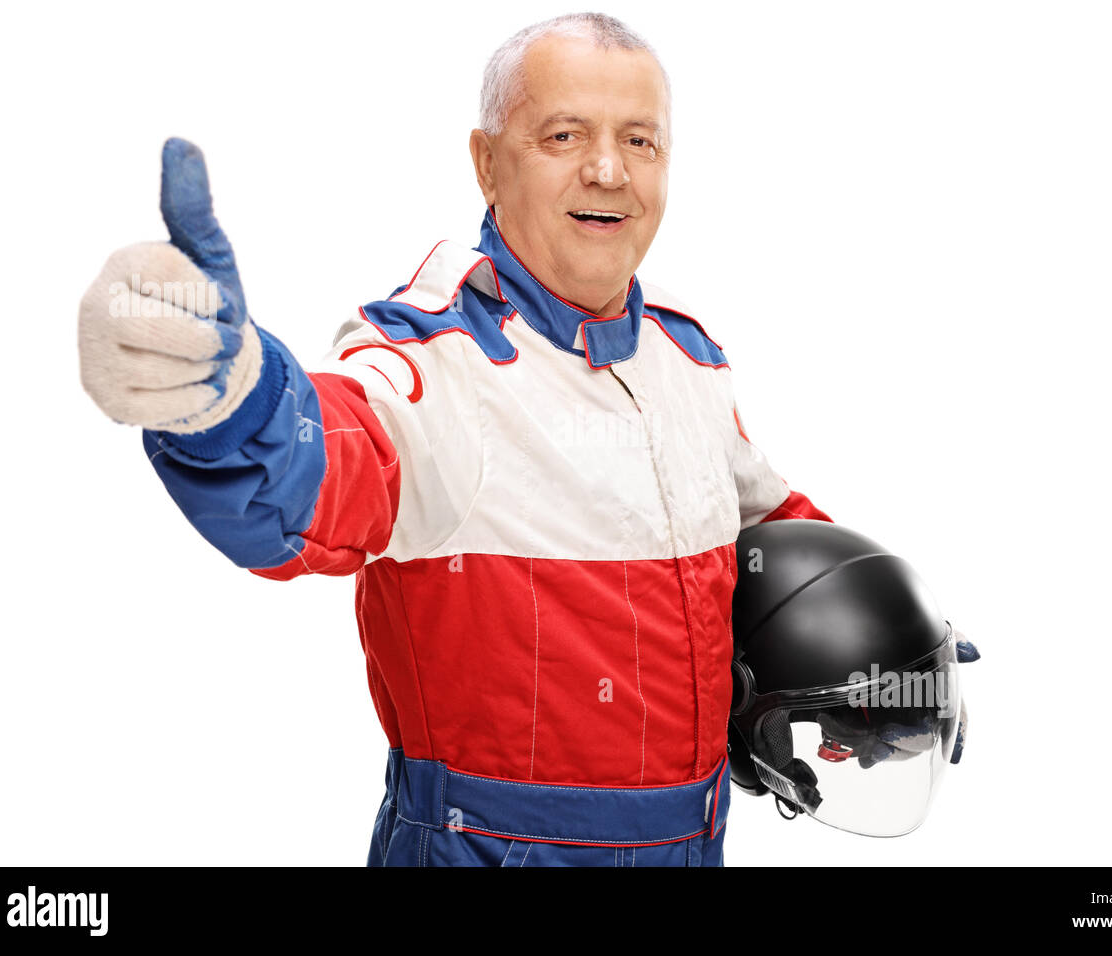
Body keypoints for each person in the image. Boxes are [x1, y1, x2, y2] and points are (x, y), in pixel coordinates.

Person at [77, 12, 834, 867]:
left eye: (641, 141)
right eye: (564, 134)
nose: (608, 170)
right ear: (486, 163)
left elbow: (771, 538)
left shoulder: (689, 358)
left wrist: (876, 647)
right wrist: (228, 402)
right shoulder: (434, 366)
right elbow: (321, 462)